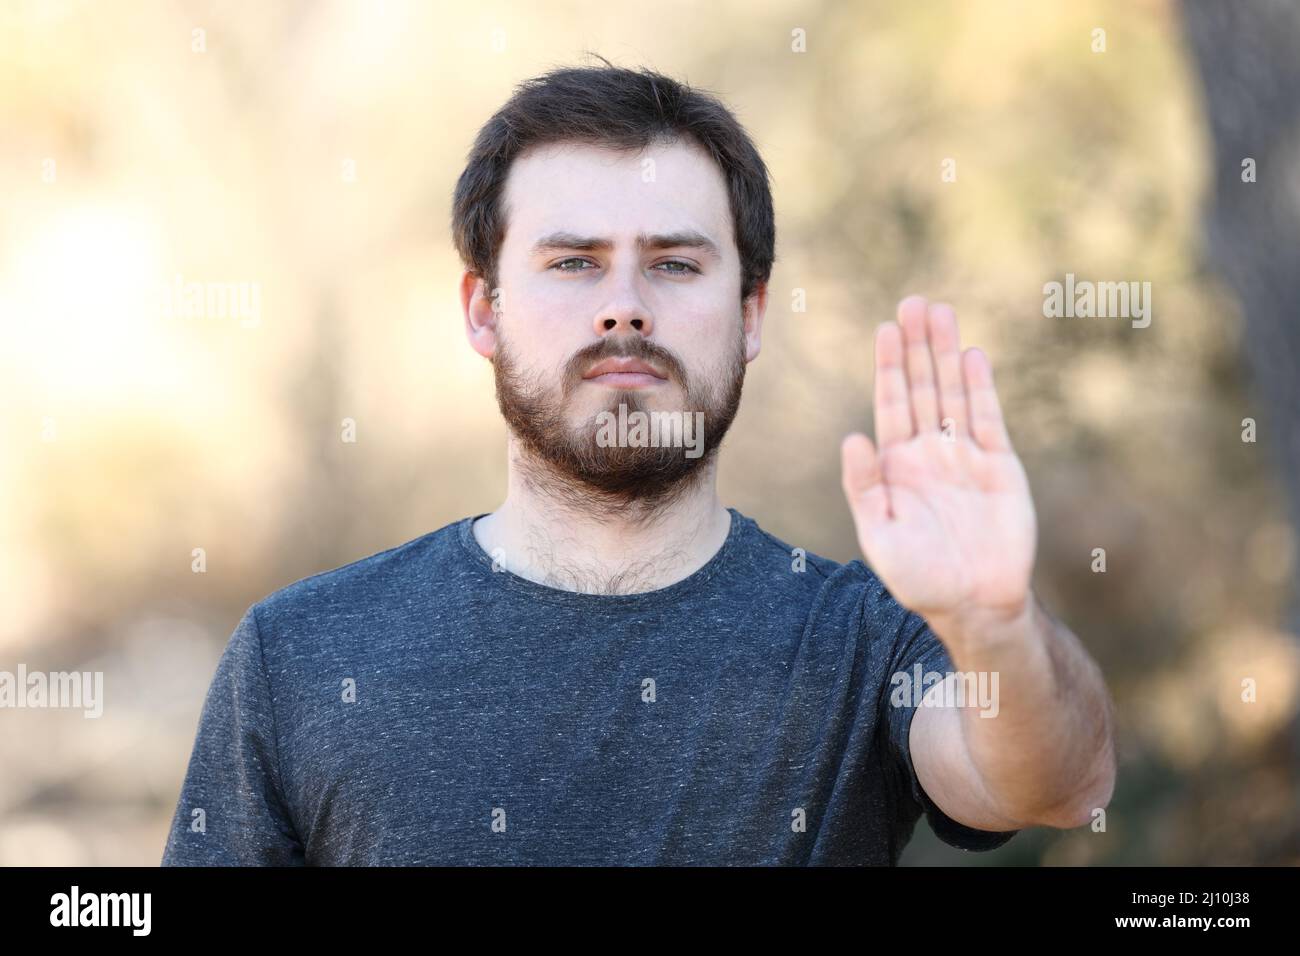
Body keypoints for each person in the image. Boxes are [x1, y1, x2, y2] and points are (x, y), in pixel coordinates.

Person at [162, 59, 1115, 866]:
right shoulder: (298, 656)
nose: (623, 306)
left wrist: (994, 625)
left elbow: (1058, 784)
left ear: (750, 317)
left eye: (674, 263)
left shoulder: (867, 641)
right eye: (573, 262)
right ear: (483, 310)